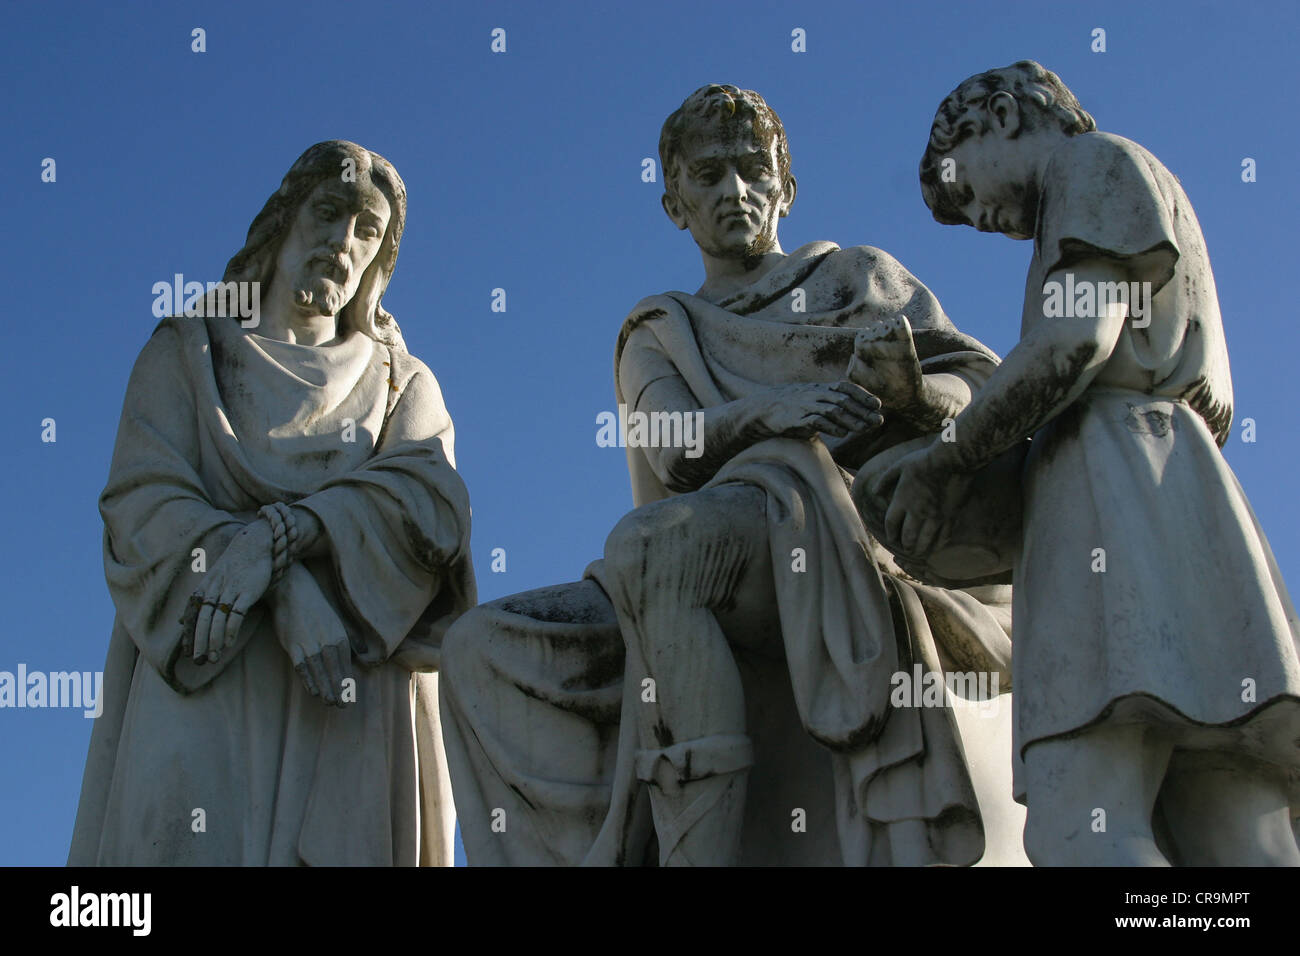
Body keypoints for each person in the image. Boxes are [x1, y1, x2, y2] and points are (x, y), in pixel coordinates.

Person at [440, 86, 1023, 866]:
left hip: (850, 533)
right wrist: (777, 411)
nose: (734, 191)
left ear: (786, 187)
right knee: (478, 647)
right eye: (708, 176)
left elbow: (979, 395)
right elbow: (676, 446)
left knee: (658, 548)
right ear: (674, 203)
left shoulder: (858, 277)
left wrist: (912, 393)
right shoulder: (661, 327)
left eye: (753, 169)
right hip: (727, 544)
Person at [874, 60, 1300, 865]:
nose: (983, 220)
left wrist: (945, 462)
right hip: (1181, 492)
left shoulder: (1092, 164)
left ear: (1000, 116)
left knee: (1080, 818)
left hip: (1113, 495)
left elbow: (1073, 342)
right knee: (1232, 826)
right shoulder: (1126, 186)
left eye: (966, 192)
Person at [68, 141, 476, 866]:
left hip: (354, 688)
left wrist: (287, 534)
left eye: (367, 231)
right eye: (328, 214)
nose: (342, 243)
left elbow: (432, 509)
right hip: (206, 661)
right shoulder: (188, 355)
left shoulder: (403, 384)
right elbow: (141, 505)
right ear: (284, 221)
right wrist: (279, 581)